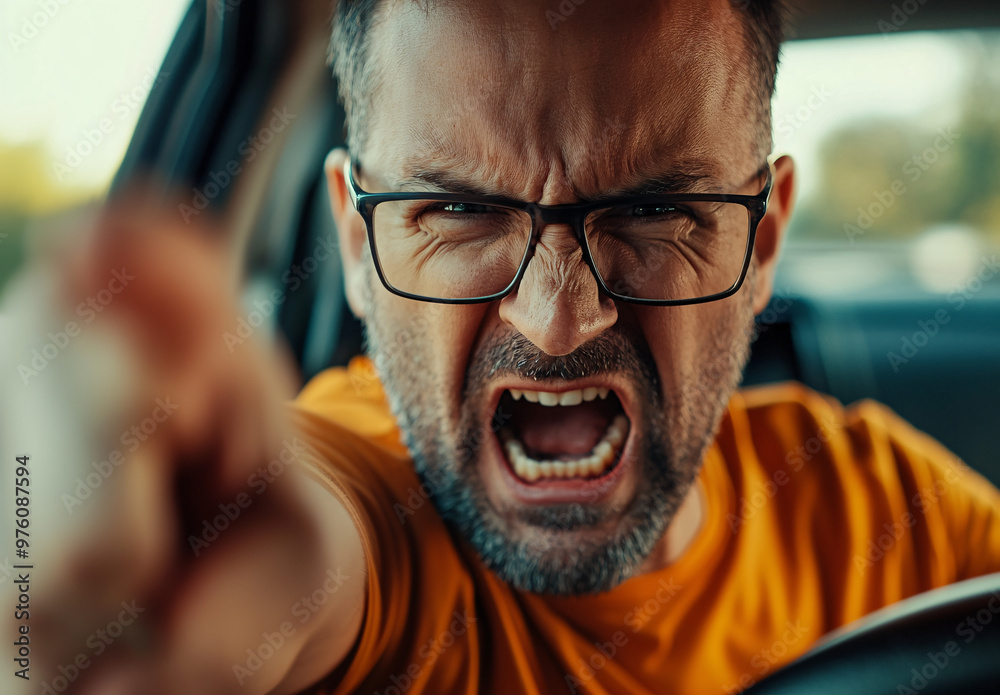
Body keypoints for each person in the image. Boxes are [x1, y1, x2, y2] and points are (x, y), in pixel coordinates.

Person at [29, 0, 1000, 694]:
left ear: (763, 239)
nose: (557, 316)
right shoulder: (357, 505)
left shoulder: (884, 510)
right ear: (359, 243)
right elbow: (288, 558)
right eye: (456, 208)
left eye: (656, 207)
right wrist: (134, 548)